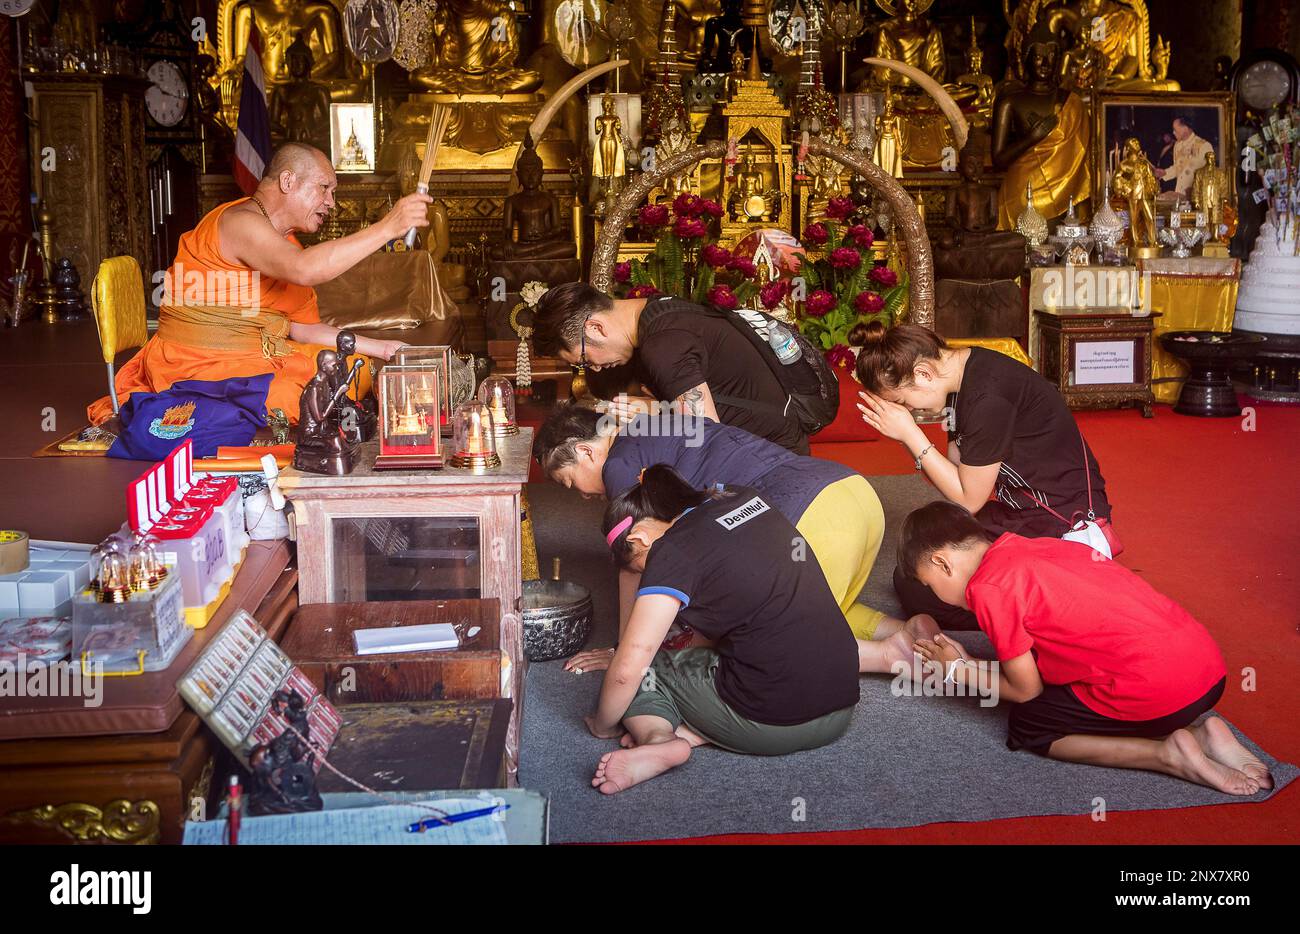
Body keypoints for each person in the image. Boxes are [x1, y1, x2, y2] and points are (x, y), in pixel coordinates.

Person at [901, 501, 1272, 796]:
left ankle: (1169, 754)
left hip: (1163, 692)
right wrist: (971, 663)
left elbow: (1026, 690)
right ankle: (1206, 733)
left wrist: (958, 671)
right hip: (1207, 670)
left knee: (1030, 726)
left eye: (929, 585)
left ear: (942, 562)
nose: (938, 597)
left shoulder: (987, 588)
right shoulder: (1034, 547)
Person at [88, 143, 430, 425]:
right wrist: (387, 228)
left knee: (355, 368)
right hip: (198, 362)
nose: (331, 202)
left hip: (255, 355)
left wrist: (384, 348)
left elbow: (304, 330)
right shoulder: (240, 223)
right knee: (309, 394)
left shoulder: (283, 240)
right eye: (324, 188)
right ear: (287, 181)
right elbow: (305, 269)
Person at [581, 466, 861, 795]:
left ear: (639, 539)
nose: (647, 578)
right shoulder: (741, 496)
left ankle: (659, 739)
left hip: (776, 724)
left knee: (647, 663)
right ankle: (695, 731)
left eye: (640, 568)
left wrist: (602, 724)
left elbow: (628, 669)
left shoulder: (671, 551)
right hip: (841, 707)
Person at [534, 403, 904, 648]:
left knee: (764, 646)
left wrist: (626, 649)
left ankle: (891, 660)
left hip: (807, 516)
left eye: (569, 482)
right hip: (854, 497)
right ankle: (903, 634)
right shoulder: (655, 423)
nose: (580, 495)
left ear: (585, 451)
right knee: (813, 605)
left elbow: (634, 564)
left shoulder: (618, 464)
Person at [852, 322, 1112, 629]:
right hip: (1018, 510)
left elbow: (968, 500)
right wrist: (911, 438)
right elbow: (952, 473)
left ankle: (1040, 604)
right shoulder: (961, 376)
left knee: (924, 592)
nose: (909, 411)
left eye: (904, 402)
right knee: (914, 570)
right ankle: (1026, 599)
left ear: (923, 373)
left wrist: (911, 435)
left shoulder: (988, 397)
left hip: (1064, 525)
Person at [530, 282, 810, 453]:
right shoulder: (662, 309)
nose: (595, 368)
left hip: (772, 464)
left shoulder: (662, 346)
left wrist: (656, 415)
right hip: (773, 448)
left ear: (595, 327)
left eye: (583, 360)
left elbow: (705, 435)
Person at [1155, 116, 1213, 199]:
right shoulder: (1177, 145)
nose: (1173, 133)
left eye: (1175, 129)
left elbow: (1211, 175)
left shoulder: (1204, 146)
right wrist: (1165, 172)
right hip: (1179, 194)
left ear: (1185, 128)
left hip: (1197, 196)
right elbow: (1177, 168)